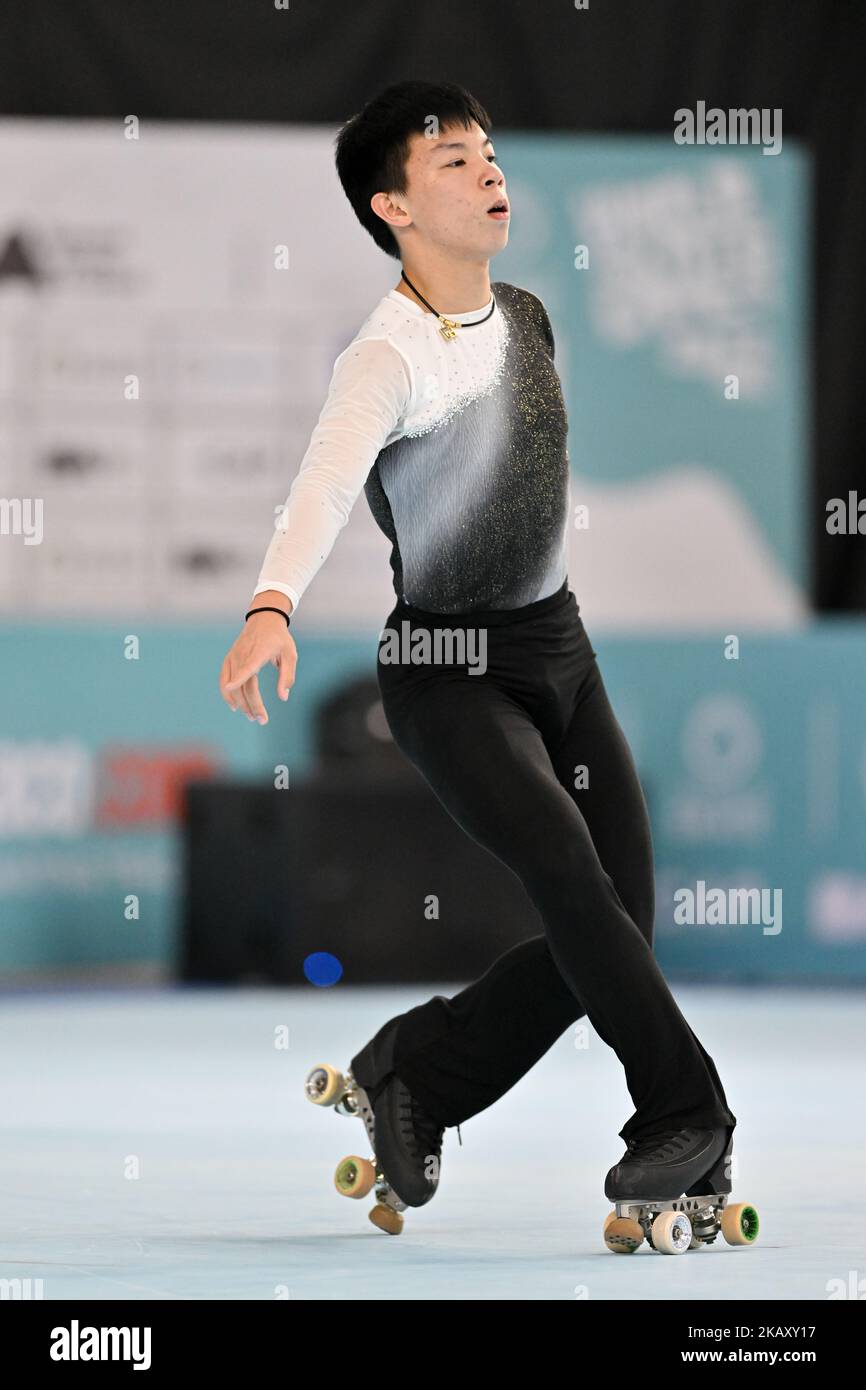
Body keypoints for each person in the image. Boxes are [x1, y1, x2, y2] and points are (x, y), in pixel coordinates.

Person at [218, 80, 737, 1210]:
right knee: (566, 869)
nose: (487, 170)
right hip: (447, 674)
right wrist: (271, 603)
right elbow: (321, 483)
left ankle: (418, 1071)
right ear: (391, 205)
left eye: (488, 151)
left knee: (614, 916)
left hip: (560, 648)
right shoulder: (383, 357)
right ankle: (685, 1109)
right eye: (450, 159)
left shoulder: (531, 318)